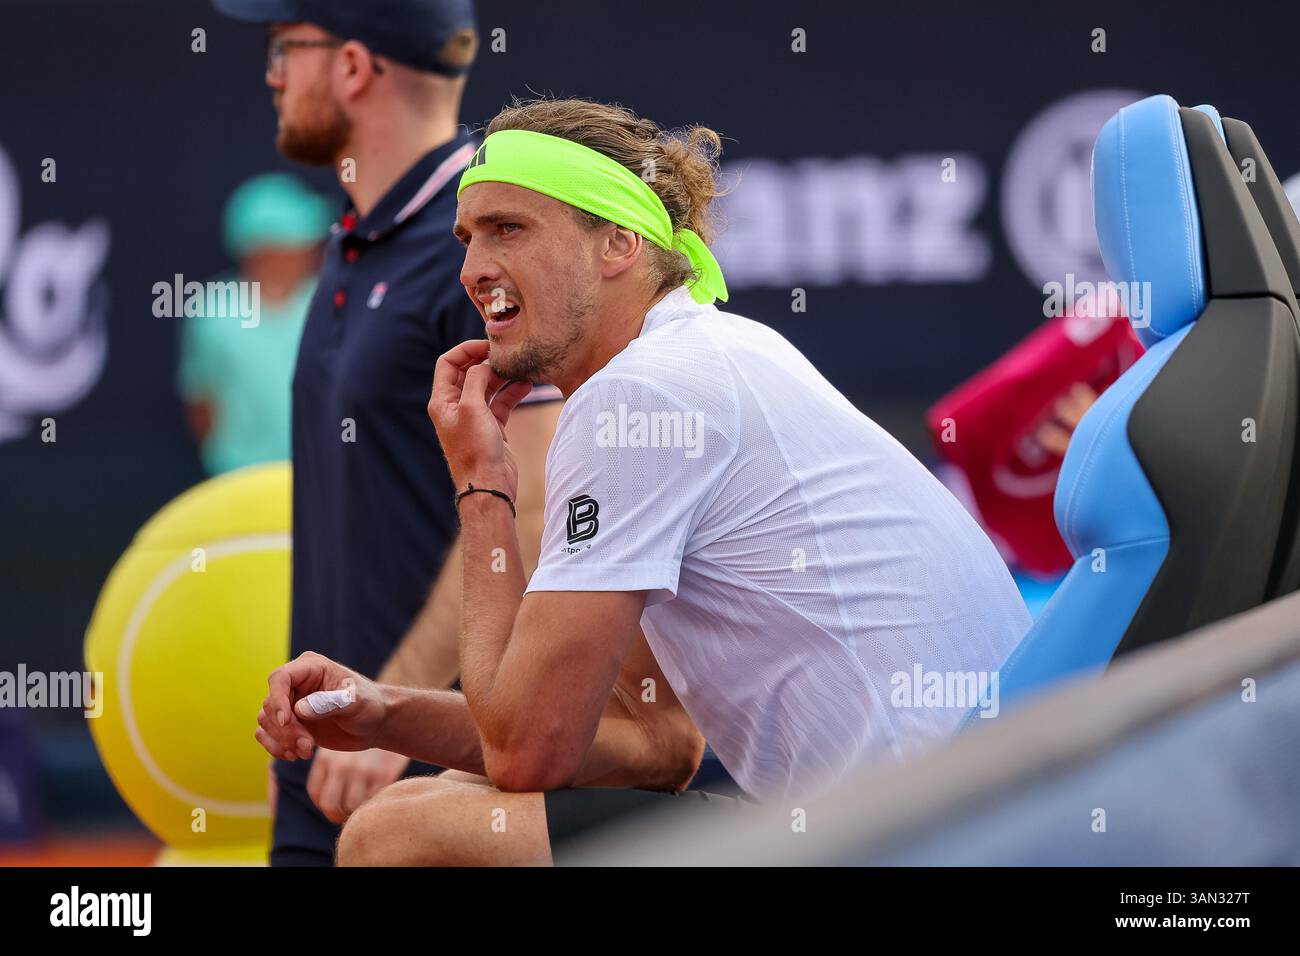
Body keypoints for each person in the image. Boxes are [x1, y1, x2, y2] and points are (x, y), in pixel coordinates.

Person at [256, 97, 1033, 865]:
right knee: (439, 797)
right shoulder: (698, 356)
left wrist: (482, 485)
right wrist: (379, 709)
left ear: (618, 243)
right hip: (979, 805)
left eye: (508, 230)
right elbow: (657, 741)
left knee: (400, 835)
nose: (470, 270)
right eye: (466, 238)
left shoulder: (642, 395)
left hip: (933, 833)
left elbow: (526, 751)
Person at [212, 0, 562, 865]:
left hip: (423, 762)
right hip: (336, 751)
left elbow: (532, 504)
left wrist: (395, 714)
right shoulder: (353, 240)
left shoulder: (481, 242)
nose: (271, 74)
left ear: (354, 67)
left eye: (284, 49)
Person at [179, 172, 332, 475]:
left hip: (322, 479)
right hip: (238, 481)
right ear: (266, 249)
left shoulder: (332, 301)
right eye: (299, 236)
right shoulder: (213, 310)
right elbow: (200, 403)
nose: (314, 245)